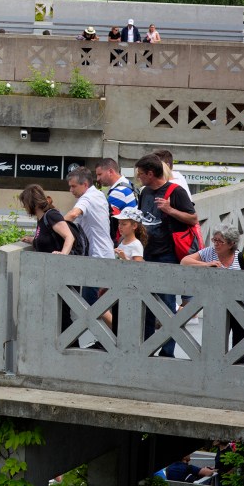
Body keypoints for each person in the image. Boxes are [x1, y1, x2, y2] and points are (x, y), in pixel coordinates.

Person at [135, 153, 197, 357]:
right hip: (147, 254)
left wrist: (170, 210)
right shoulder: (144, 192)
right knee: (146, 303)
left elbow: (193, 218)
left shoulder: (175, 191)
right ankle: (146, 347)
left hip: (168, 256)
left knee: (167, 305)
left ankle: (167, 351)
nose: (138, 178)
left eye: (141, 174)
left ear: (151, 173)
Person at [64, 167, 113, 260]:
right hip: (104, 252)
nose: (71, 190)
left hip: (97, 255)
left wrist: (54, 227)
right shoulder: (98, 194)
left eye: (73, 186)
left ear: (85, 184)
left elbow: (73, 214)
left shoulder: (88, 197)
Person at [19, 184, 76, 255]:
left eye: (25, 203)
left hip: (58, 263)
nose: (24, 207)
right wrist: (33, 240)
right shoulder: (40, 218)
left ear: (33, 203)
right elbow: (48, 240)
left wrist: (63, 254)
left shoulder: (51, 215)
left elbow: (69, 237)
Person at [95, 158, 136, 244]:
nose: (98, 178)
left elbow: (104, 219)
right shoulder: (127, 183)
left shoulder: (119, 192)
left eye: (100, 174)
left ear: (110, 171)